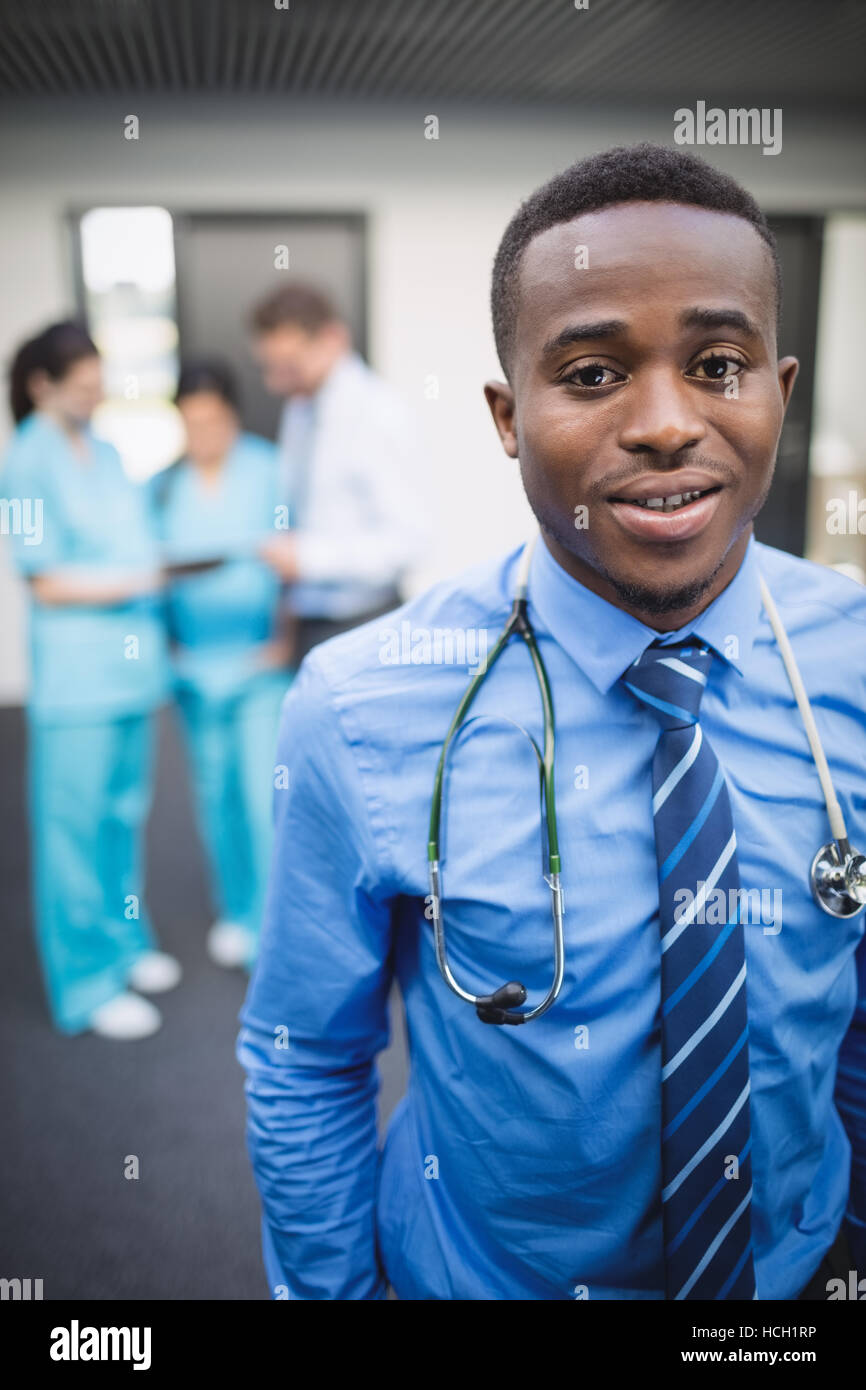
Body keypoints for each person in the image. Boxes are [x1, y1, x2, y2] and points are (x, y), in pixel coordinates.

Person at [235, 145, 866, 1300]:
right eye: (588, 374)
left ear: (777, 385)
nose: (666, 424)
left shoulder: (853, 657)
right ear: (506, 415)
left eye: (717, 364)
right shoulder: (363, 707)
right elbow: (307, 1059)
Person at [1, 321, 178, 1040]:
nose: (98, 390)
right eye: (84, 378)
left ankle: (124, 943)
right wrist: (136, 578)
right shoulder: (24, 461)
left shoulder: (106, 452)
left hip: (131, 671)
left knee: (122, 816)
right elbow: (43, 580)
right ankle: (85, 982)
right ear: (43, 384)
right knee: (72, 830)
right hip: (76, 679)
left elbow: (138, 539)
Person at [150, 359, 293, 971]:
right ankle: (235, 911)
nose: (203, 434)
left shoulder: (268, 470)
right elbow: (150, 577)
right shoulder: (161, 487)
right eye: (191, 423)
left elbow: (292, 562)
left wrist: (284, 642)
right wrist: (166, 650)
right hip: (194, 668)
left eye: (213, 421)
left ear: (232, 417)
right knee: (215, 795)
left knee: (263, 796)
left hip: (259, 662)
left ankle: (271, 923)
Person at [249, 282, 427, 661]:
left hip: (366, 625)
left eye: (289, 367)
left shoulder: (380, 414)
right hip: (308, 624)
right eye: (270, 369)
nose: (275, 383)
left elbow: (408, 544)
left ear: (332, 339)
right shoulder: (300, 409)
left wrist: (309, 558)